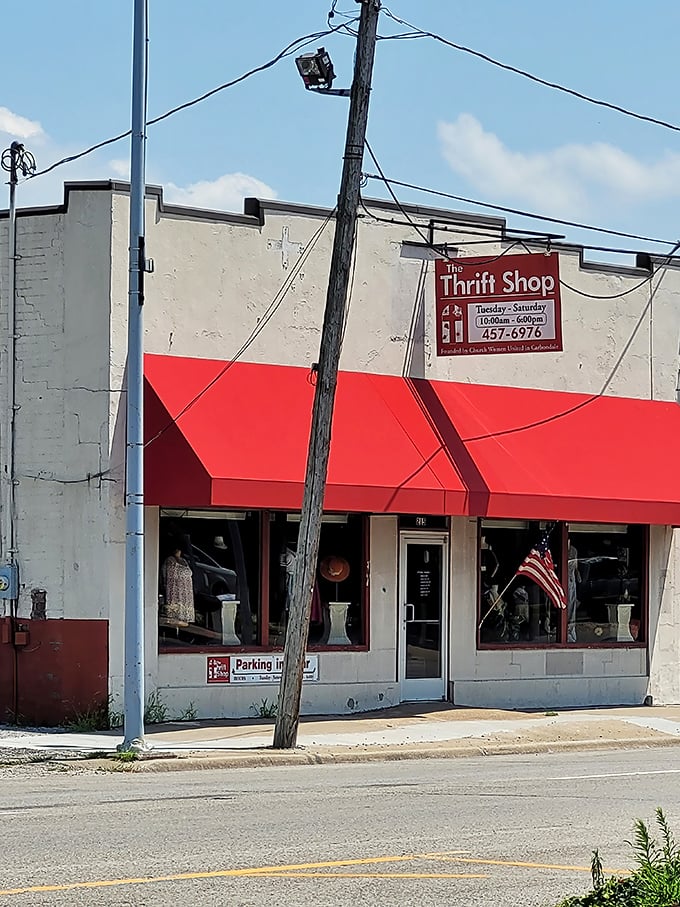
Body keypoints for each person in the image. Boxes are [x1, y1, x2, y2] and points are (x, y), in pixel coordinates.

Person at [161, 547, 195, 626]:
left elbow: (189, 572)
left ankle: (183, 618)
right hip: (175, 590)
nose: (178, 551)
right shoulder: (170, 560)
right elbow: (169, 574)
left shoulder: (184, 561)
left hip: (186, 591)